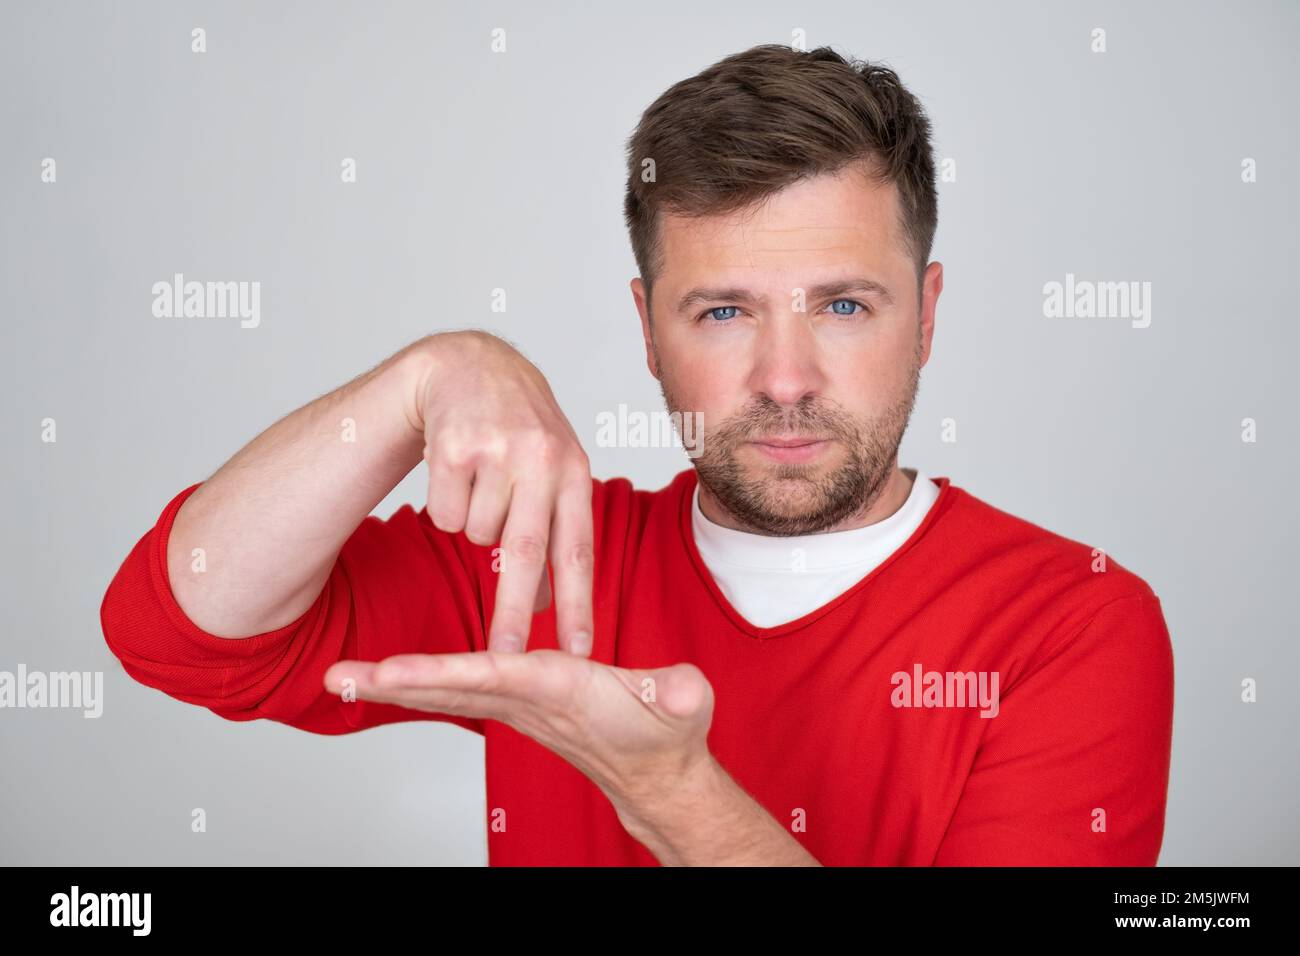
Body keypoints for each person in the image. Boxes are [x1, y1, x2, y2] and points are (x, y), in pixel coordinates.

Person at [100, 44, 1174, 866]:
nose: (785, 377)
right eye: (720, 312)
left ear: (927, 315)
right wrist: (425, 376)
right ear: (648, 330)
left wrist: (670, 791)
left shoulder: (1071, 621)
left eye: (845, 304)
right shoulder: (541, 554)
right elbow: (179, 626)